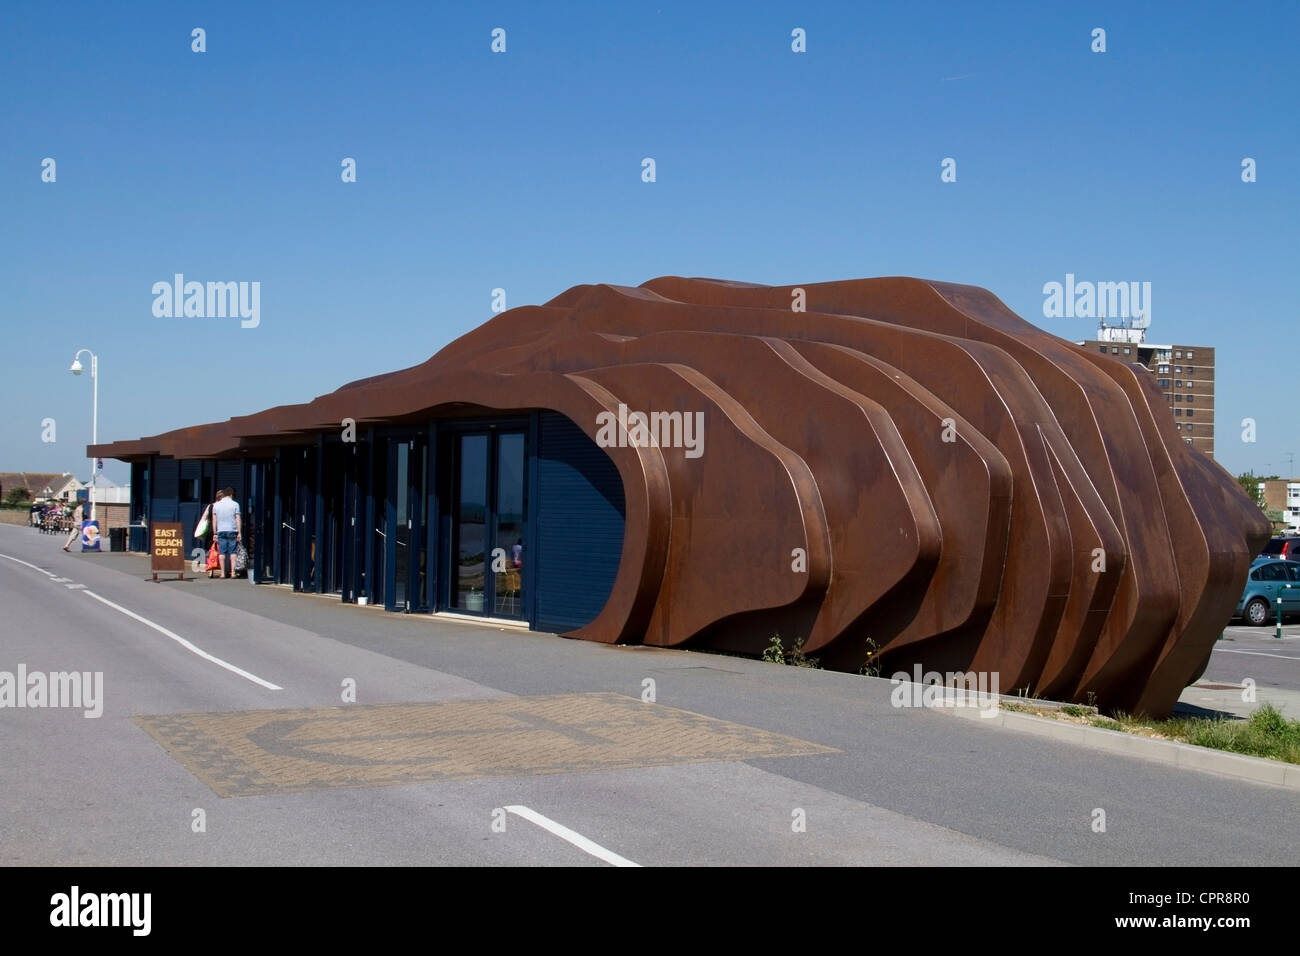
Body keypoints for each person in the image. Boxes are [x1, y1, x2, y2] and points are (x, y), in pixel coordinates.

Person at [211, 487, 242, 579]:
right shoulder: (235, 504)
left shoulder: (216, 505)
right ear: (231, 495)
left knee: (222, 553)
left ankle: (222, 573)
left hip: (220, 531)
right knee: (233, 552)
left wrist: (215, 533)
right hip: (232, 530)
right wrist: (239, 532)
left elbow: (214, 520)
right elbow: (238, 519)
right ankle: (232, 573)